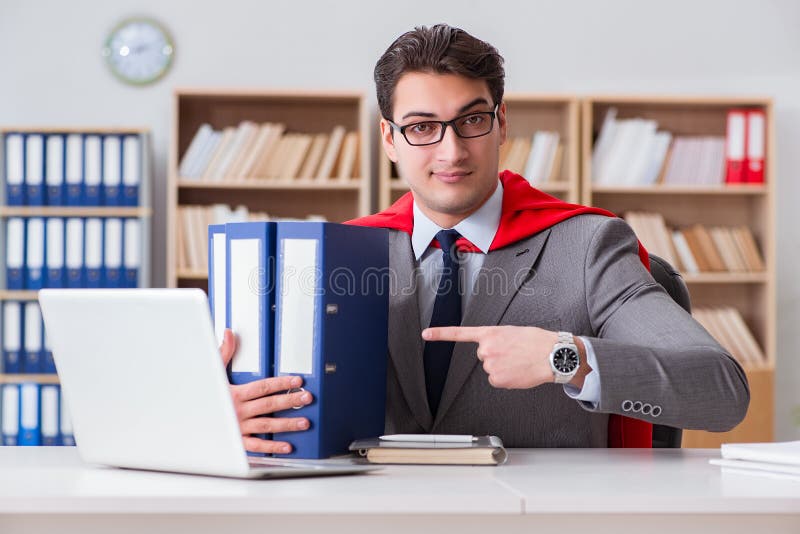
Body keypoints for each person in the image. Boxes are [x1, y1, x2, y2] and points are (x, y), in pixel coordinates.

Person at [220, 24, 749, 453]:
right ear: (389, 139)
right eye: (422, 127)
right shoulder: (332, 256)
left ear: (501, 125)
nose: (451, 152)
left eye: (471, 120)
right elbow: (239, 401)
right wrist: (226, 414)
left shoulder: (590, 246)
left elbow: (721, 392)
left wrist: (567, 357)